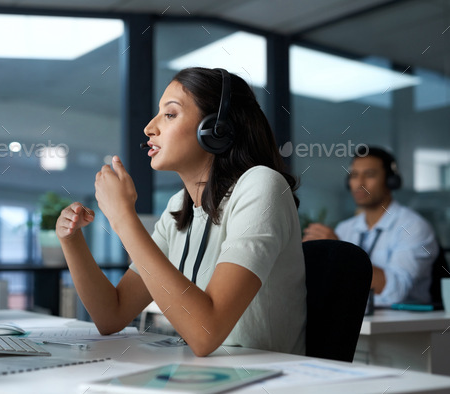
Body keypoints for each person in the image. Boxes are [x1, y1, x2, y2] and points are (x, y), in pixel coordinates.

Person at [56, 67, 306, 357]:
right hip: (204, 377)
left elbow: (205, 334)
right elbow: (111, 315)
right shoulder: (179, 207)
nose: (150, 127)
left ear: (215, 129)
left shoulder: (261, 186)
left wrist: (123, 217)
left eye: (170, 114)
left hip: (268, 380)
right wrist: (71, 240)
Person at [303, 146, 438, 306]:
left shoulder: (413, 227)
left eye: (369, 175)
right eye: (354, 175)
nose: (359, 183)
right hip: (353, 321)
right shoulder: (345, 228)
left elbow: (397, 291)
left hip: (400, 325)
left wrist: (342, 253)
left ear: (390, 180)